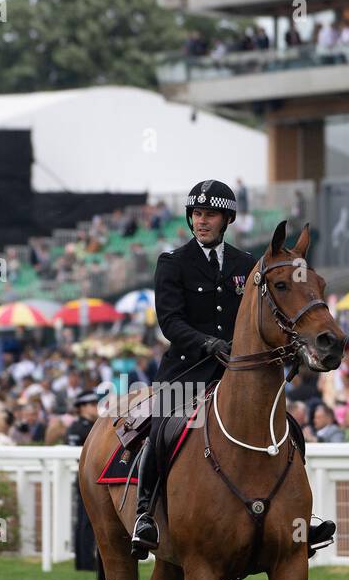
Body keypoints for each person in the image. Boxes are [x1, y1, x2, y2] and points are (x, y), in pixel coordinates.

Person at [130, 178, 336, 557]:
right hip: (188, 370)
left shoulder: (248, 265)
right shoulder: (173, 263)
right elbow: (170, 323)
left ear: (226, 219)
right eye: (196, 213)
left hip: (240, 372)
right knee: (162, 426)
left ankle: (300, 519)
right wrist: (208, 343)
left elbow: (270, 313)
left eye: (209, 214)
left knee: (289, 429)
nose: (201, 221)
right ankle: (145, 514)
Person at [67, 391, 101, 571]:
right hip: (85, 477)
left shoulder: (92, 426)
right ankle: (85, 562)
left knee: (86, 520)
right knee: (85, 520)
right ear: (81, 407)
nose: (95, 407)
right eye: (91, 404)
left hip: (89, 477)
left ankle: (85, 561)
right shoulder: (79, 427)